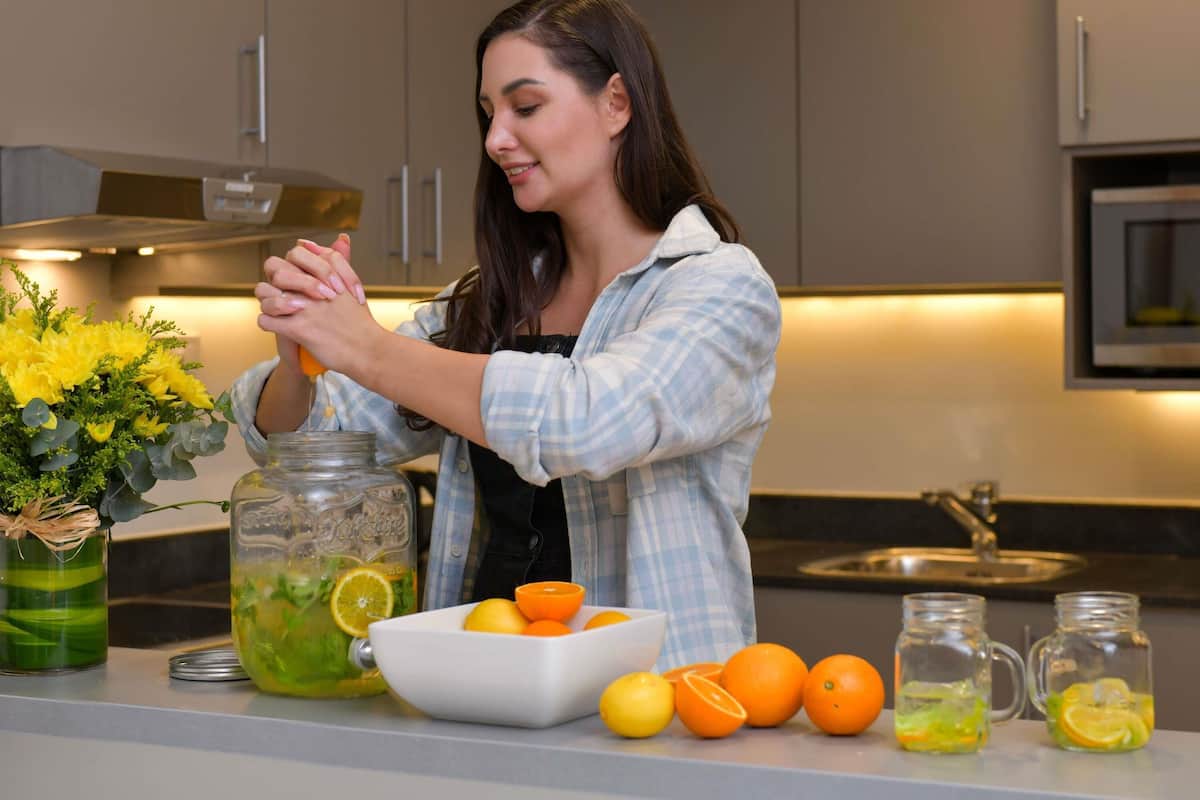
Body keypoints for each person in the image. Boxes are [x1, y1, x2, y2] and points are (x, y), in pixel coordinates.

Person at [229, 0, 781, 669]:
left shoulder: (718, 286)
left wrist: (368, 346)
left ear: (616, 104)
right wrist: (303, 357)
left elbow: (584, 420)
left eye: (525, 107)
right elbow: (313, 440)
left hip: (659, 698)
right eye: (489, 113)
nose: (495, 140)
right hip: (485, 679)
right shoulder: (492, 296)